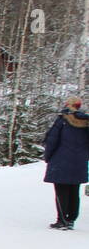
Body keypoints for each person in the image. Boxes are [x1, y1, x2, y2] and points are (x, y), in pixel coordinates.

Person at [42, 98, 88, 230]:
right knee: (74, 190)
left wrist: (48, 156)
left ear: (69, 105)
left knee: (61, 191)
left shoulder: (63, 120)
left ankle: (62, 220)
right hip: (79, 162)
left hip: (60, 160)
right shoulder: (85, 122)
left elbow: (52, 140)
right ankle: (71, 219)